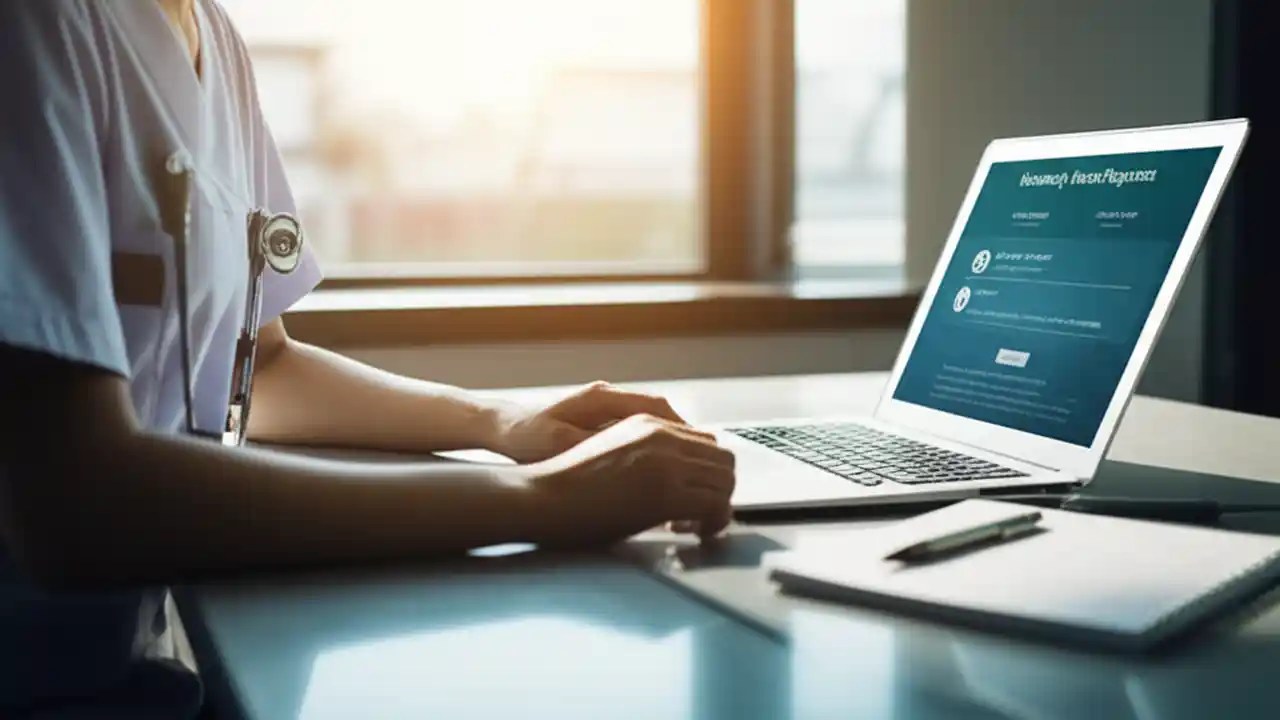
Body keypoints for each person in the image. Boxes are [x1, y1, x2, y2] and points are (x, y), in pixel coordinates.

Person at [0, 0, 735, 716]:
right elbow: (74, 502)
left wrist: (506, 423)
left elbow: (260, 366)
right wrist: (544, 499)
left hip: (132, 670)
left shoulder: (213, 37)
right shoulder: (34, 25)